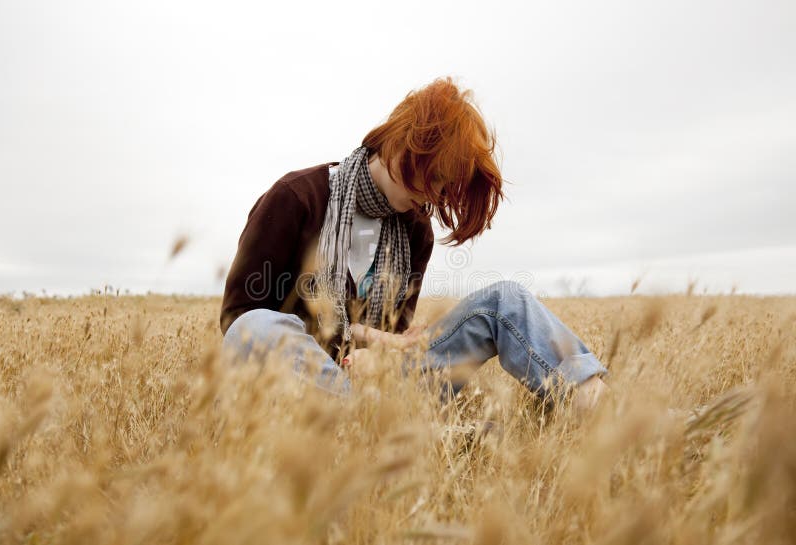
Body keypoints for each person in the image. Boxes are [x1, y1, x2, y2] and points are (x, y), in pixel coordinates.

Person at [219, 77, 609, 413]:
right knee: (253, 327)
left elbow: (394, 334)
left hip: (382, 385)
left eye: (445, 187)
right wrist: (362, 339)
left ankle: (604, 415)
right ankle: (367, 423)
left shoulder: (416, 232)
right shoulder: (296, 197)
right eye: (435, 176)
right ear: (406, 143)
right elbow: (238, 317)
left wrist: (380, 359)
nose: (433, 196)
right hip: (305, 380)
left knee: (506, 300)